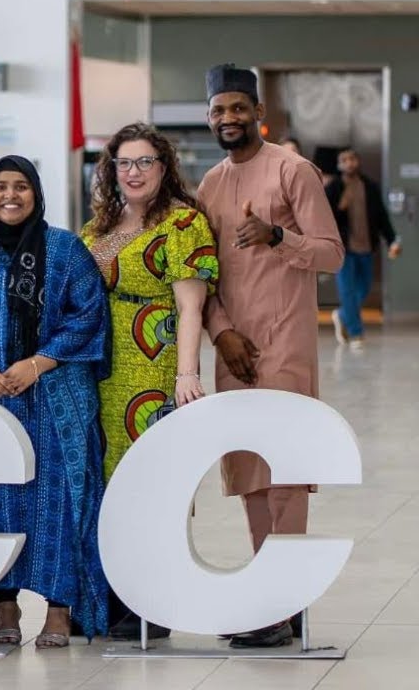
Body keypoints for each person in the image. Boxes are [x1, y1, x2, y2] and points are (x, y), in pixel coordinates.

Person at [0, 155, 110, 648]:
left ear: (36, 194)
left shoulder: (65, 250)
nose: (11, 195)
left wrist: (37, 363)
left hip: (52, 400)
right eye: (0, 187)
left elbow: (88, 315)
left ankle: (58, 610)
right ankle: (3, 607)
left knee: (60, 500)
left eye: (22, 186)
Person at [199, 63, 344, 648]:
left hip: (284, 343)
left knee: (284, 473)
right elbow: (201, 276)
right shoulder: (208, 184)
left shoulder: (293, 170)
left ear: (260, 113)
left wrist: (278, 238)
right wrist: (221, 334)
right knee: (248, 474)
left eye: (239, 108)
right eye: (218, 110)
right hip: (233, 348)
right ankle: (271, 601)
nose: (229, 118)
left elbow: (332, 254)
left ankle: (284, 602)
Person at [81, 123, 218, 640]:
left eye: (145, 162)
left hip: (151, 367)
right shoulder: (101, 224)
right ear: (111, 171)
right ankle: (110, 599)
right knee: (104, 483)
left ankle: (151, 602)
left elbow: (190, 307)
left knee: (148, 484)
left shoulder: (183, 223)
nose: (134, 172)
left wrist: (187, 373)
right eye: (124, 163)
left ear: (164, 169)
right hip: (97, 367)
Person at [326, 147, 401, 349]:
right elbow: (323, 218)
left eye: (352, 159)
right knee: (348, 290)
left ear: (357, 161)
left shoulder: (370, 186)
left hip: (366, 246)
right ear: (339, 165)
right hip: (343, 248)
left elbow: (382, 217)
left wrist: (392, 239)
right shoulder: (333, 188)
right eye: (344, 160)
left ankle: (342, 315)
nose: (349, 163)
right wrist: (340, 208)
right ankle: (356, 333)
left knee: (364, 287)